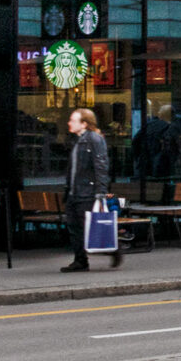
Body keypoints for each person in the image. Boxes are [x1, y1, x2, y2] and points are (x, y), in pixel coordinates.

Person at [61, 108, 114, 271]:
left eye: (73, 120)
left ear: (84, 123)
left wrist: (100, 191)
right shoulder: (78, 140)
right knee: (74, 227)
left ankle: (112, 249)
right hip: (75, 191)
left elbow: (101, 165)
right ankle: (80, 260)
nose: (69, 123)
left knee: (85, 227)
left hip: (86, 192)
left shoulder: (94, 139)